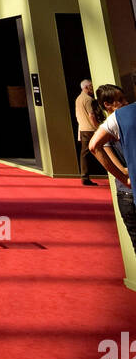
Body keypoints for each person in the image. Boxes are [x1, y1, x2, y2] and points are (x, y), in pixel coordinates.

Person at [89, 86, 136, 257]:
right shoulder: (109, 130)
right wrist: (124, 178)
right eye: (121, 100)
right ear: (107, 104)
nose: (126, 103)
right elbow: (120, 167)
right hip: (127, 191)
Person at [74, 79, 101, 185]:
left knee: (84, 154)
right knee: (103, 151)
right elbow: (92, 115)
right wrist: (98, 127)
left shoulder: (78, 99)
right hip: (91, 129)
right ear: (86, 87)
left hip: (83, 129)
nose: (93, 88)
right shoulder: (89, 99)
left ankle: (84, 176)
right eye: (91, 86)